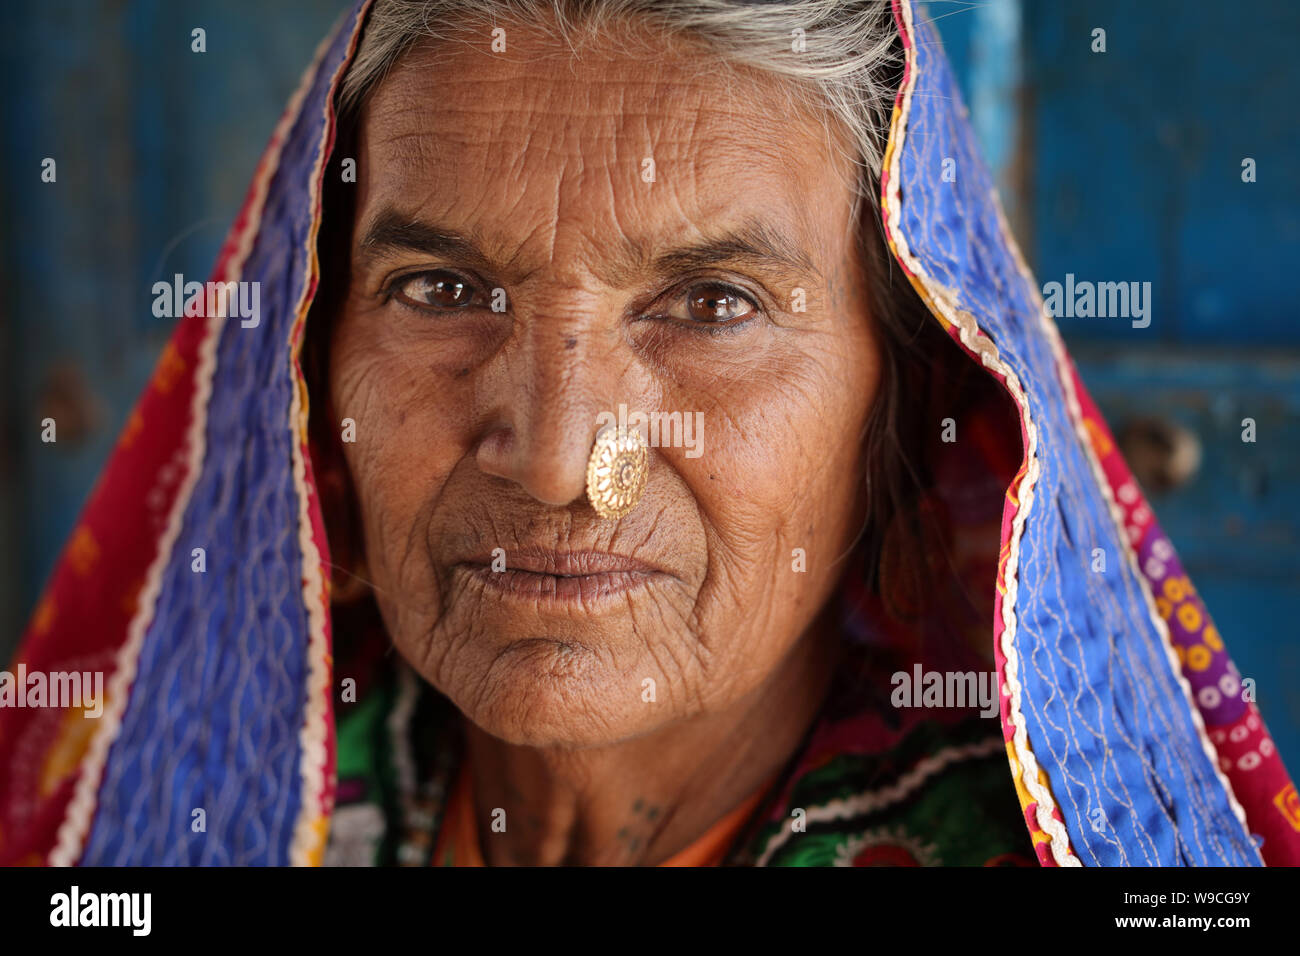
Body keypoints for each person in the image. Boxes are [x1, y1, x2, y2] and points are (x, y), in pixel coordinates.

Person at [2, 0, 1294, 867]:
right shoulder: (180, 813)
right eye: (442, 292)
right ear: (305, 353)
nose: (561, 459)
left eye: (711, 305)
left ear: (908, 388)